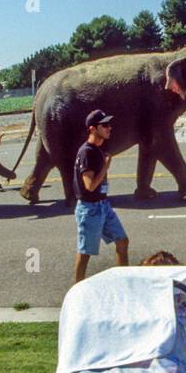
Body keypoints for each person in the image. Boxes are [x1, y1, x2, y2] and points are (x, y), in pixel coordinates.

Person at [73, 110, 129, 285]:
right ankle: (76, 291)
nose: (109, 128)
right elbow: (89, 186)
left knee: (122, 241)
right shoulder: (87, 152)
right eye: (104, 125)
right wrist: (105, 167)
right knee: (85, 253)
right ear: (92, 129)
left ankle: (123, 284)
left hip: (103, 204)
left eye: (109, 124)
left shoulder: (97, 149)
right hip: (90, 209)